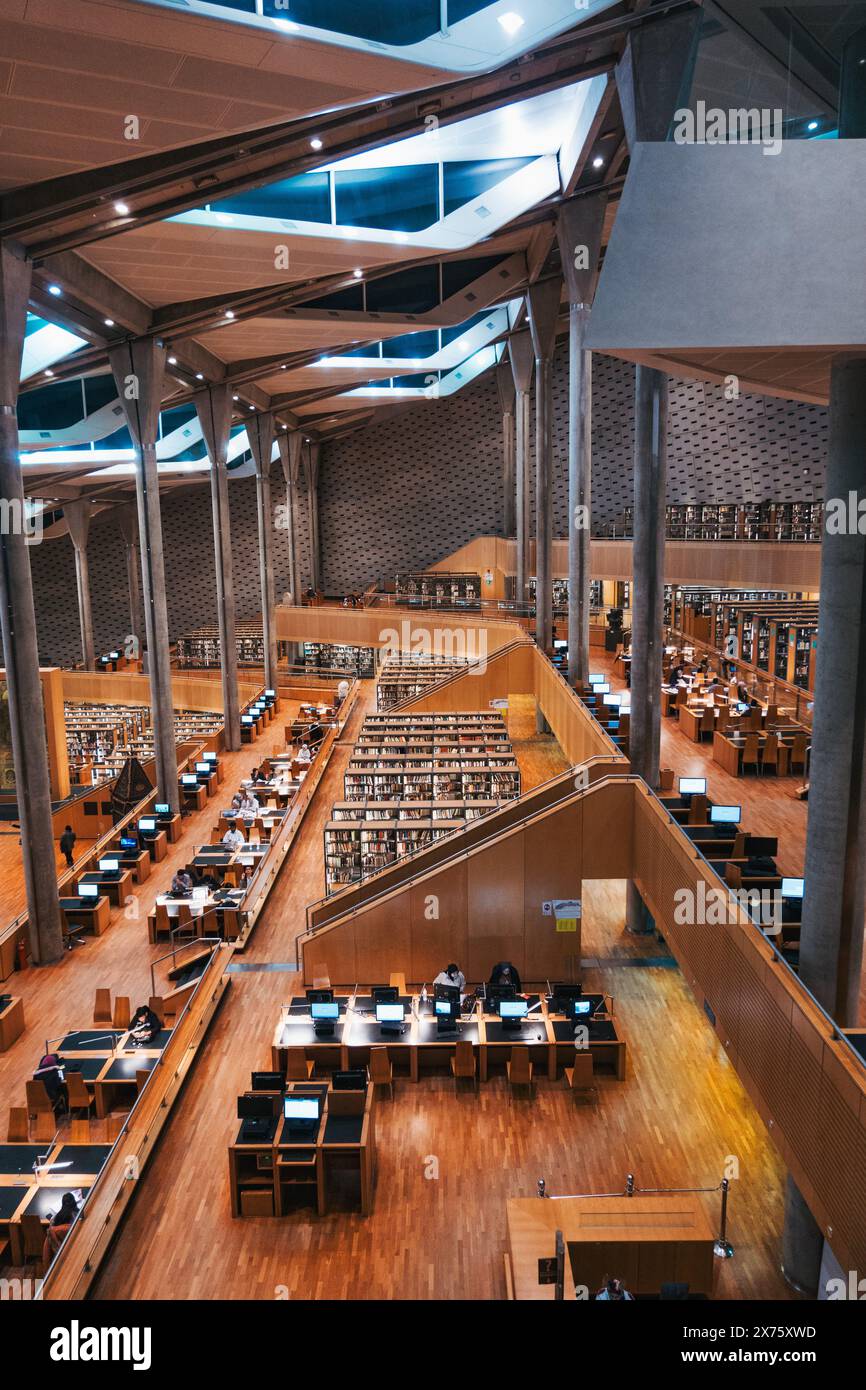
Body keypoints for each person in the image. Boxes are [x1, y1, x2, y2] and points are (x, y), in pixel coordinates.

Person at [43, 1192, 81, 1265]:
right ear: (74, 1202)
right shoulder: (78, 1214)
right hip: (75, 1248)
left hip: (58, 1252)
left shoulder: (57, 1216)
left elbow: (51, 1228)